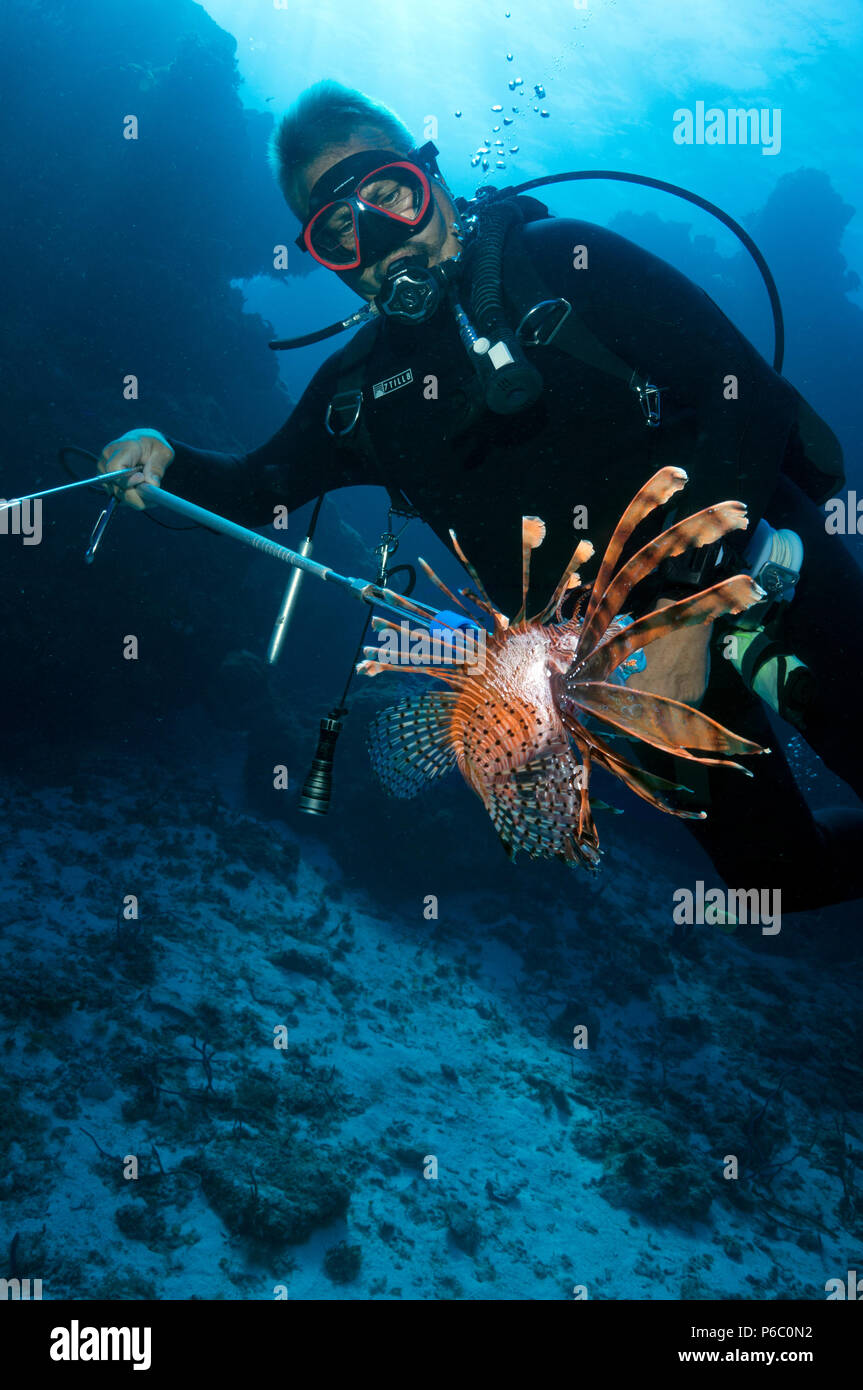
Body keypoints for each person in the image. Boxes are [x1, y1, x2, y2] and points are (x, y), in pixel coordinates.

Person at [98, 80, 863, 912]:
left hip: (761, 568)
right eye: (340, 231)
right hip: (615, 667)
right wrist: (169, 462)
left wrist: (691, 607)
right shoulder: (358, 393)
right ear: (327, 258)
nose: (381, 236)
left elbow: (745, 395)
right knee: (776, 879)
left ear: (432, 180)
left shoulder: (569, 261)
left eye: (389, 194)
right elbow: (259, 488)